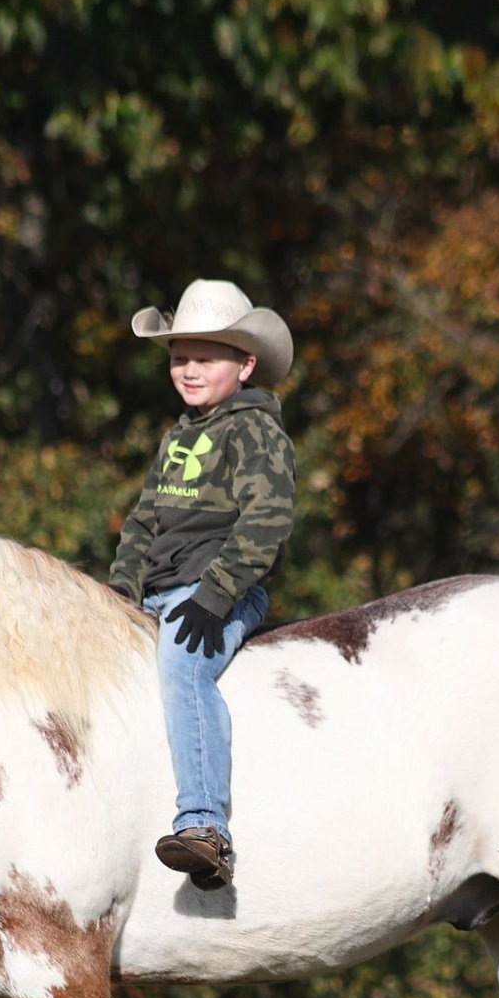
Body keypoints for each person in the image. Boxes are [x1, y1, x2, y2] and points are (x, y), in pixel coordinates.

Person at [108, 279, 296, 890]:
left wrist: (216, 595)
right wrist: (120, 594)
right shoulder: (178, 436)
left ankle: (205, 828)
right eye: (179, 357)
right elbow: (143, 523)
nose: (189, 370)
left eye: (206, 358)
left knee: (184, 667)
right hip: (158, 594)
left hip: (220, 593)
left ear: (246, 365)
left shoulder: (254, 432)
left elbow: (267, 520)